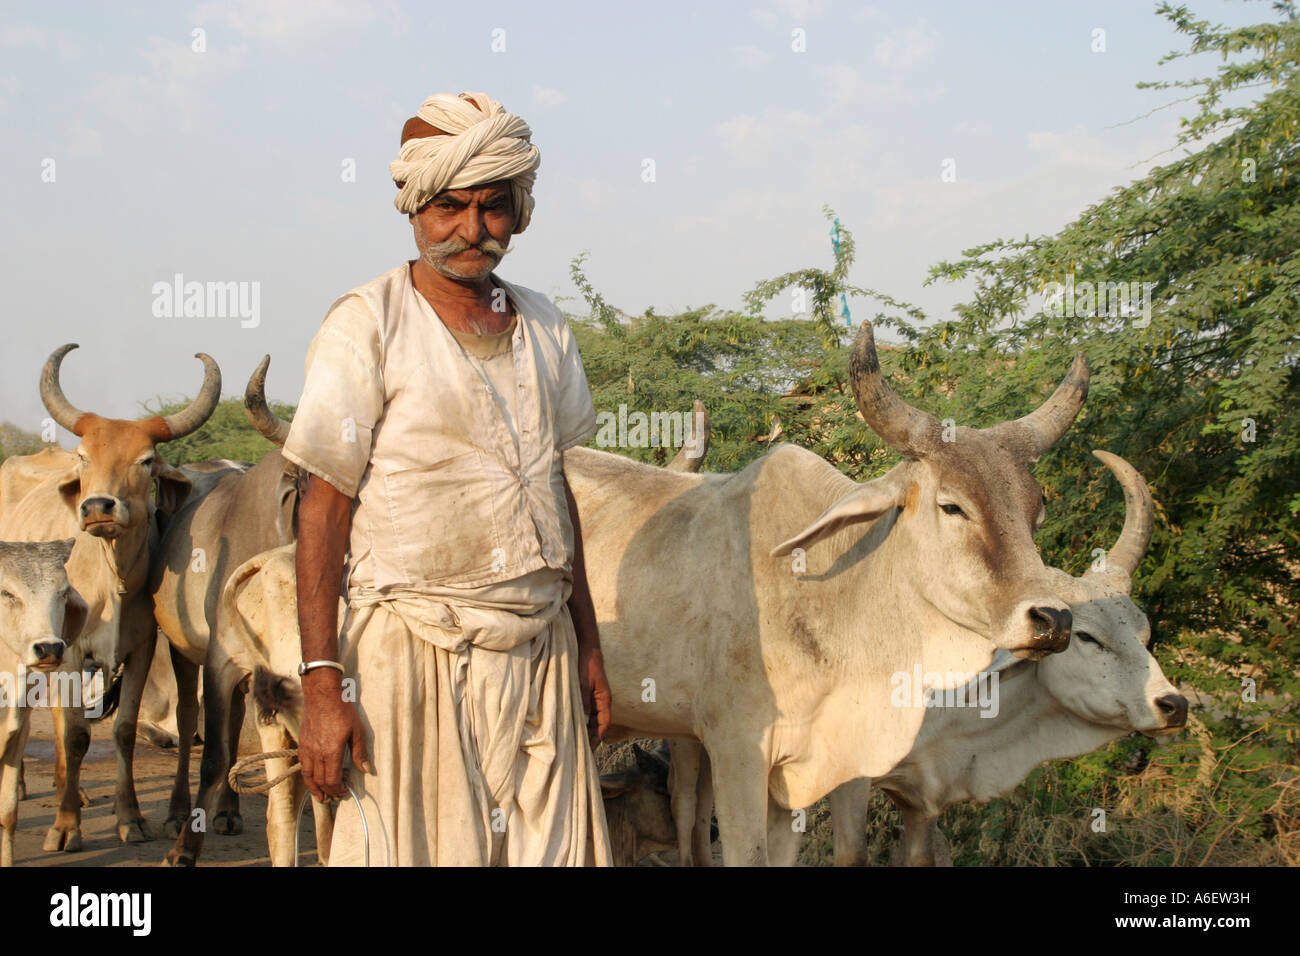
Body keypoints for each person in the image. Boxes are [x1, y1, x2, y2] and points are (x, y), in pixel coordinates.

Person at [282, 90, 613, 866]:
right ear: (413, 209)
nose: (472, 230)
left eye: (494, 207)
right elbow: (323, 509)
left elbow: (556, 494)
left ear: (519, 211)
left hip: (541, 647)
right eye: (449, 207)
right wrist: (323, 687)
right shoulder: (367, 324)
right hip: (408, 650)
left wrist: (590, 644)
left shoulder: (546, 327)